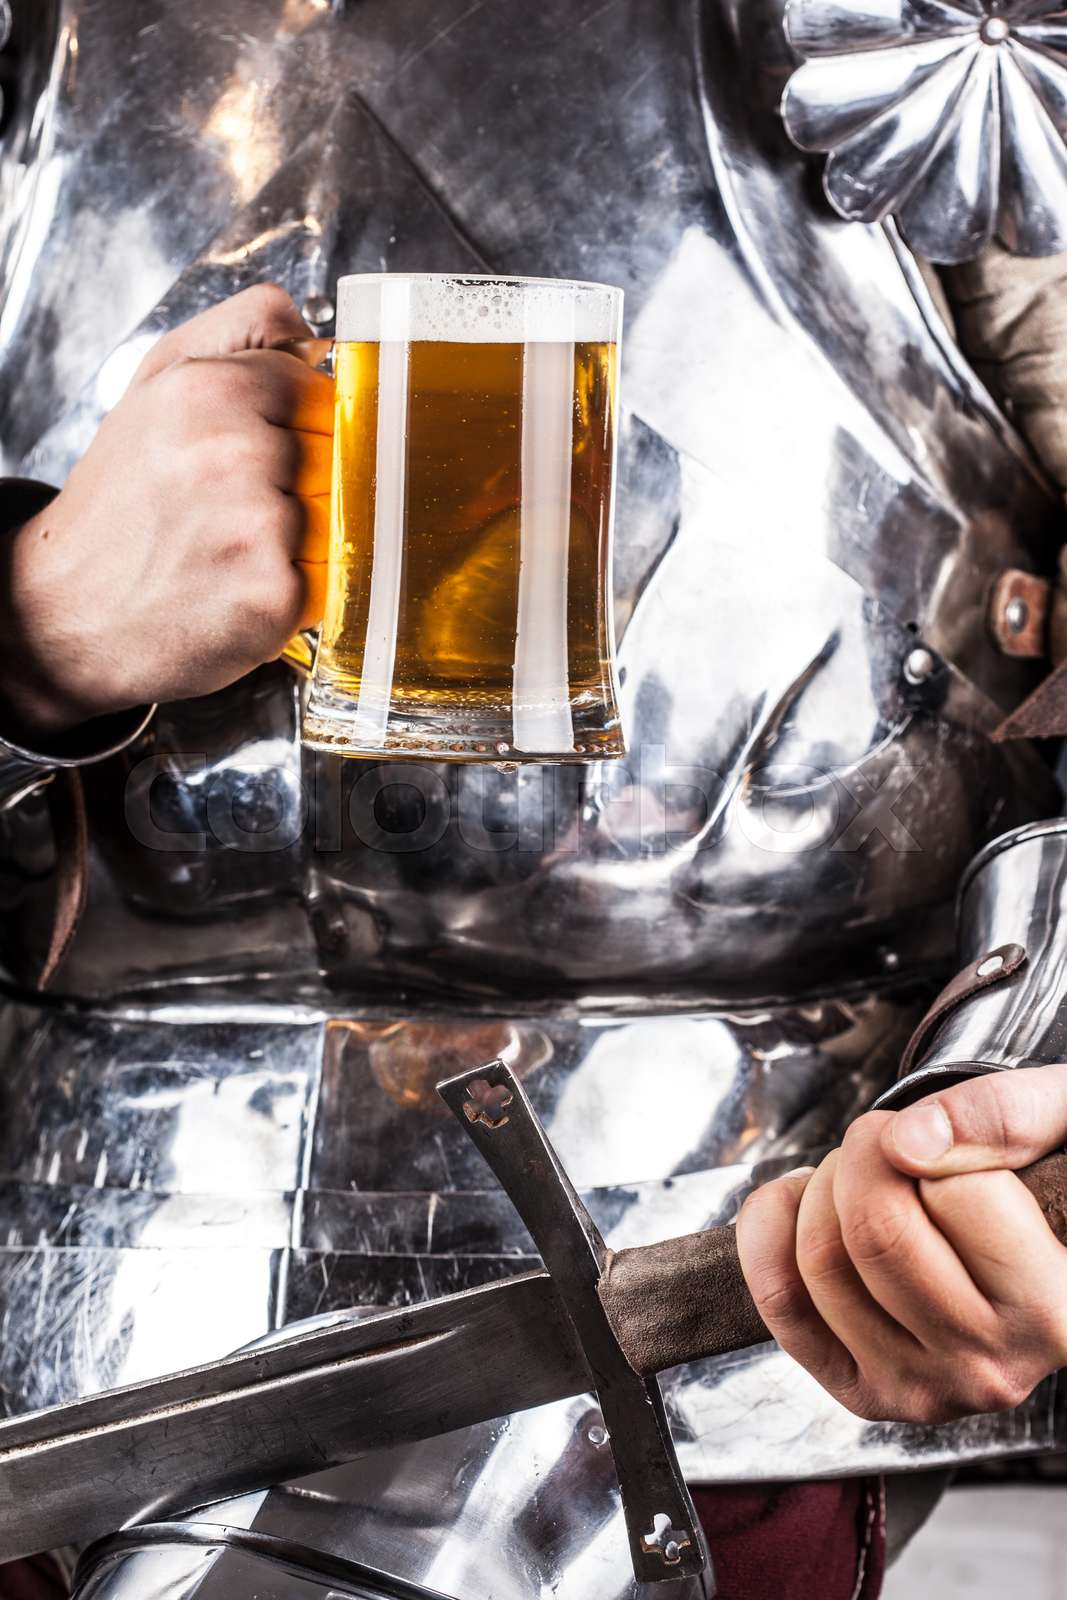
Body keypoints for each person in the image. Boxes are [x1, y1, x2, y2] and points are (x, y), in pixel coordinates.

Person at [4, 2, 1067, 1597]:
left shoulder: (941, 42)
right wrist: (29, 626)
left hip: (712, 1250)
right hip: (59, 1269)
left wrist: (1006, 1102)